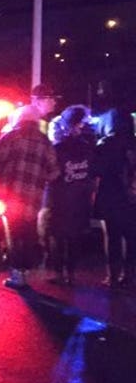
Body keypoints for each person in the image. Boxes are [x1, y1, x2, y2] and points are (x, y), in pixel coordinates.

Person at [0, 104, 60, 289]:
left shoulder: (11, 136)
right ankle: (26, 271)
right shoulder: (44, 141)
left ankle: (17, 274)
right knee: (29, 232)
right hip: (34, 197)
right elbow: (54, 172)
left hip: (10, 195)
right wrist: (39, 177)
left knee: (13, 234)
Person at [42, 105, 96, 286]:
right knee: (74, 237)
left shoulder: (57, 148)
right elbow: (92, 173)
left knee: (57, 235)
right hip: (80, 198)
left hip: (59, 197)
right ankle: (71, 274)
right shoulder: (88, 147)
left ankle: (58, 273)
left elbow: (50, 172)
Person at [92, 109, 136, 287]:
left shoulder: (104, 144)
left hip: (110, 195)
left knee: (112, 236)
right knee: (132, 237)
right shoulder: (133, 142)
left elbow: (96, 172)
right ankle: (130, 276)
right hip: (132, 196)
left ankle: (113, 276)